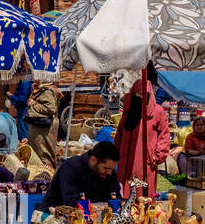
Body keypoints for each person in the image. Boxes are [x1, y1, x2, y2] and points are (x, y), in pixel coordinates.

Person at [115, 64, 170, 198]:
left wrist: (156, 156)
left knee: (142, 193)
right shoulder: (128, 113)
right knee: (124, 191)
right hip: (125, 160)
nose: (140, 97)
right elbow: (119, 136)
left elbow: (164, 136)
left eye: (143, 94)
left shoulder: (157, 112)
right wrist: (115, 155)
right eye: (137, 94)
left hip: (144, 162)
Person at [40, 140, 122, 212]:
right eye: (106, 168)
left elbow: (116, 198)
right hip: (56, 215)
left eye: (112, 169)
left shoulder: (109, 173)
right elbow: (70, 202)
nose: (109, 173)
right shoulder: (71, 168)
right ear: (93, 159)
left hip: (95, 217)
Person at [25, 84, 63, 168]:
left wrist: (33, 103)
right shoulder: (39, 89)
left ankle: (47, 174)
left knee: (44, 152)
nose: (36, 79)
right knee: (37, 150)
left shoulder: (47, 91)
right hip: (38, 125)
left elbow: (50, 108)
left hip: (44, 127)